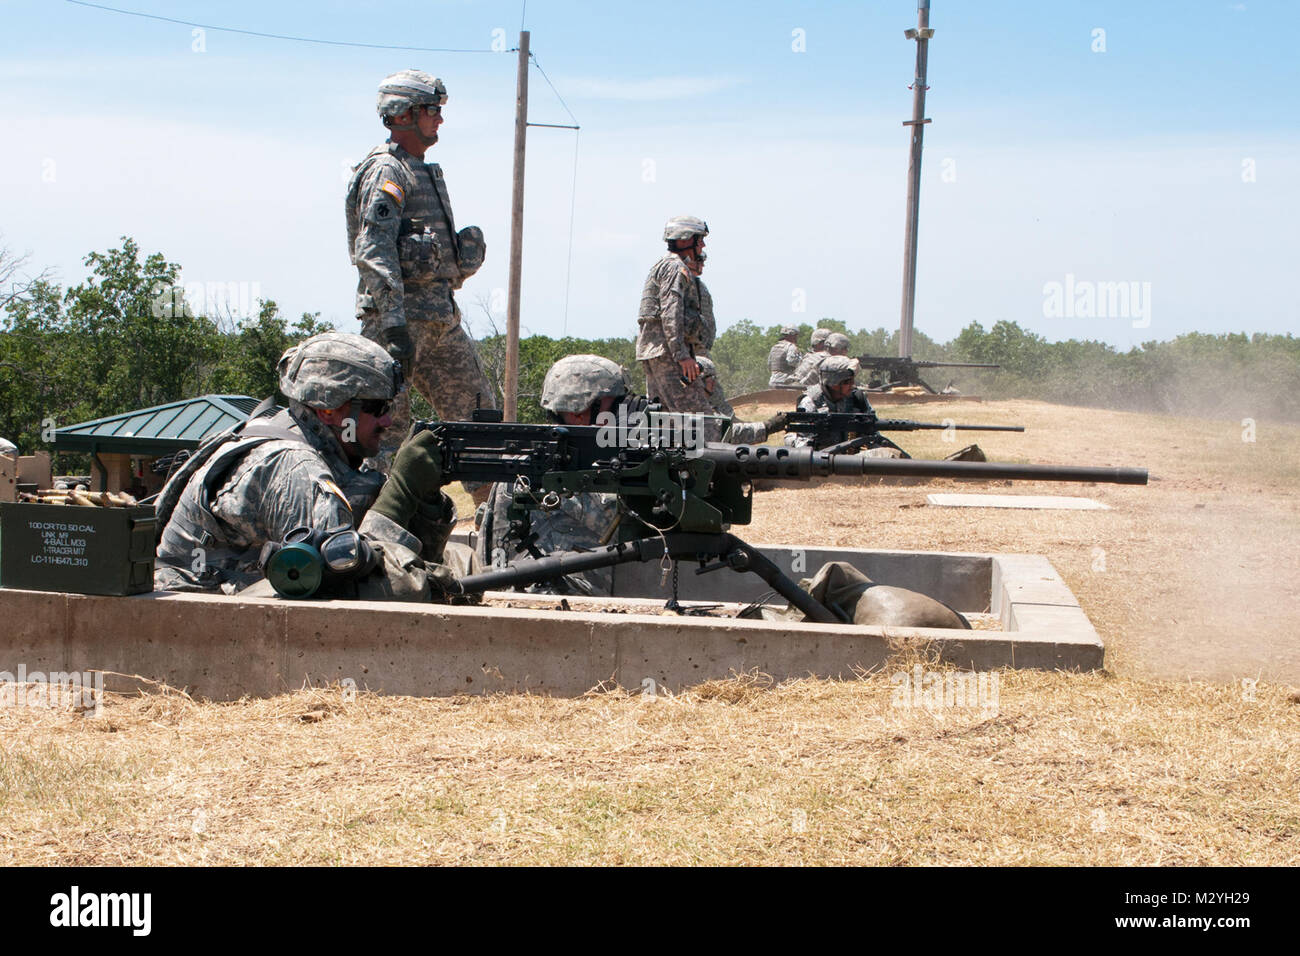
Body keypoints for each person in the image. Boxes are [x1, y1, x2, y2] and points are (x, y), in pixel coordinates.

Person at [154, 333, 476, 599]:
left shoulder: (315, 444)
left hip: (235, 601)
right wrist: (402, 493)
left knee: (462, 561)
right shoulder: (295, 467)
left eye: (389, 406)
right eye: (377, 408)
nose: (388, 420)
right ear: (328, 411)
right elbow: (349, 575)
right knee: (409, 585)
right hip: (202, 618)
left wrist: (427, 502)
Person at [345, 68, 494, 470]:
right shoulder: (387, 171)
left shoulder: (420, 170)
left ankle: (494, 522)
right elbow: (373, 250)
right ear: (403, 113)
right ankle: (373, 524)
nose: (440, 118)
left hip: (440, 319)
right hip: (400, 325)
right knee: (385, 430)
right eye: (432, 109)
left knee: (480, 419)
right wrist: (393, 327)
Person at [474, 355, 631, 595]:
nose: (622, 414)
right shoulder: (534, 471)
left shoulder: (519, 464)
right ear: (580, 412)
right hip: (562, 602)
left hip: (511, 597)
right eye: (615, 405)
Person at [635, 215, 716, 413]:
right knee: (699, 420)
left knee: (665, 418)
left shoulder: (663, 265)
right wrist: (682, 356)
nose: (703, 245)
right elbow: (671, 311)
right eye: (700, 239)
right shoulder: (675, 267)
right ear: (686, 239)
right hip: (668, 353)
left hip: (656, 351)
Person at [784, 355, 904, 454]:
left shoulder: (857, 398)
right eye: (847, 382)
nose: (852, 385)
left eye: (852, 380)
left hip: (851, 459)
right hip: (820, 460)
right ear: (832, 382)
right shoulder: (811, 402)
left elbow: (873, 435)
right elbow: (802, 444)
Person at [695, 356, 788, 444]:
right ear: (698, 381)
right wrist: (768, 426)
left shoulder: (695, 405)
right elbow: (729, 434)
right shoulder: (694, 409)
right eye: (711, 378)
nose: (714, 383)